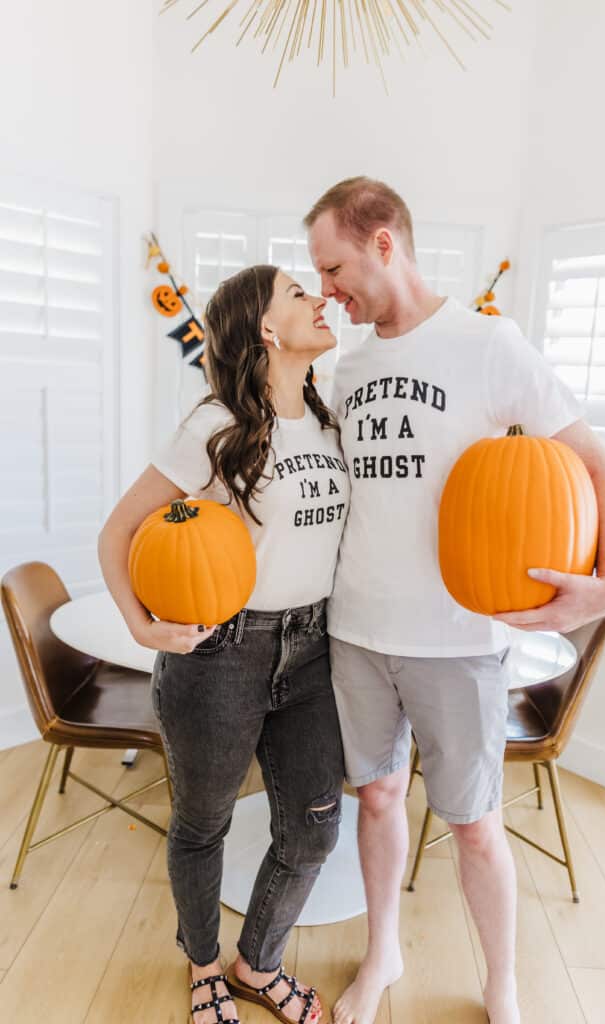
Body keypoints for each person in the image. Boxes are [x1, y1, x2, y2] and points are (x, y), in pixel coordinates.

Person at [304, 177, 605, 1024]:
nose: (328, 289)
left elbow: (596, 466)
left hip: (457, 639)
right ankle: (384, 950)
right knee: (375, 797)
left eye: (334, 266)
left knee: (475, 823)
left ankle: (501, 982)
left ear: (384, 242)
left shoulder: (488, 345)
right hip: (356, 630)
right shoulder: (346, 365)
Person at [98, 265, 349, 1024]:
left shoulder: (328, 418)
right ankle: (204, 965)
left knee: (312, 828)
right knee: (203, 822)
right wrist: (141, 624)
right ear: (268, 331)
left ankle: (257, 962)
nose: (322, 298)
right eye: (301, 294)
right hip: (220, 654)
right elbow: (118, 532)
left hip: (315, 649)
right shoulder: (213, 426)